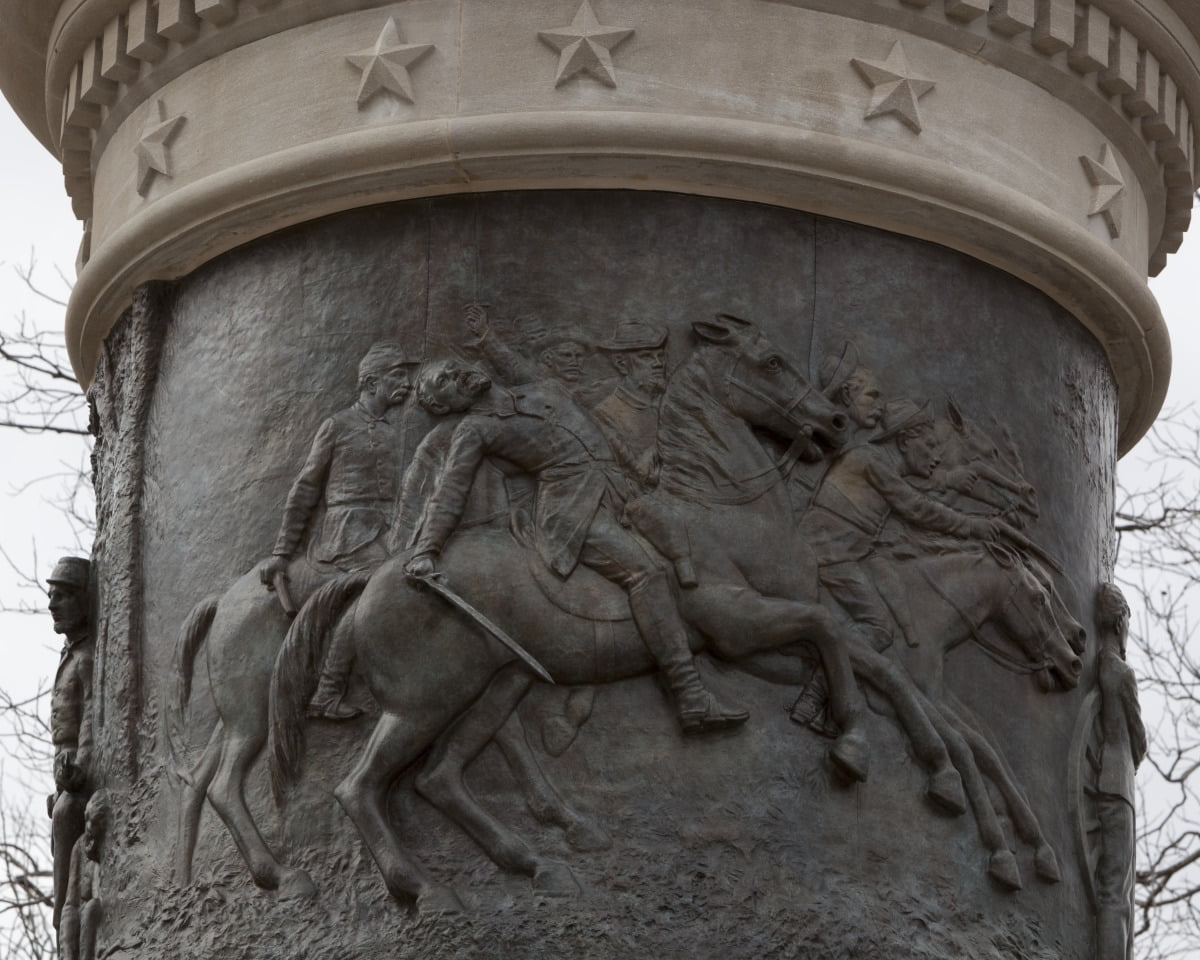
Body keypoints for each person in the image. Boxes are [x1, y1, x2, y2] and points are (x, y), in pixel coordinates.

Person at [403, 358, 747, 734]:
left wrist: (638, 470)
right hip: (573, 513)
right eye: (445, 381)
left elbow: (597, 431)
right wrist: (426, 549)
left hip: (621, 496)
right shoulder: (474, 429)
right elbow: (450, 490)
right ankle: (690, 695)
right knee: (646, 573)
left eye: (454, 367)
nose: (457, 374)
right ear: (442, 406)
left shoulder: (541, 391)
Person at [258, 341, 418, 719]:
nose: (407, 383)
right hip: (347, 534)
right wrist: (282, 551)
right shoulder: (338, 425)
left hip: (391, 529)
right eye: (398, 375)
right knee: (385, 585)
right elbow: (307, 487)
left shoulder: (395, 431)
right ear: (372, 382)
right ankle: (328, 690)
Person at [1092, 583, 1147, 960]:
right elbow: (1139, 739)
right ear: (1120, 620)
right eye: (1127, 617)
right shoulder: (1122, 672)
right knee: (1117, 894)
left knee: (1112, 890)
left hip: (1100, 780)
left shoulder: (1098, 666)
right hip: (1119, 785)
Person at [46, 556, 94, 936]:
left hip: (81, 779)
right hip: (64, 778)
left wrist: (81, 769)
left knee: (66, 816)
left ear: (83, 599)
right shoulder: (71, 656)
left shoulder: (88, 659)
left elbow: (94, 717)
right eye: (51, 596)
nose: (51, 604)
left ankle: (65, 922)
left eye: (62, 595)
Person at [592, 319, 668, 491]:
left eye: (660, 356)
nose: (658, 363)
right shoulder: (604, 414)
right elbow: (635, 475)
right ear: (621, 364)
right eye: (646, 356)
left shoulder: (670, 404)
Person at [59, 790, 107, 960]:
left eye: (93, 822)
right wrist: (66, 948)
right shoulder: (80, 846)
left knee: (91, 908)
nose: (88, 827)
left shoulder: (112, 845)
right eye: (86, 818)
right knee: (79, 913)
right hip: (85, 922)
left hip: (105, 921)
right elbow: (70, 903)